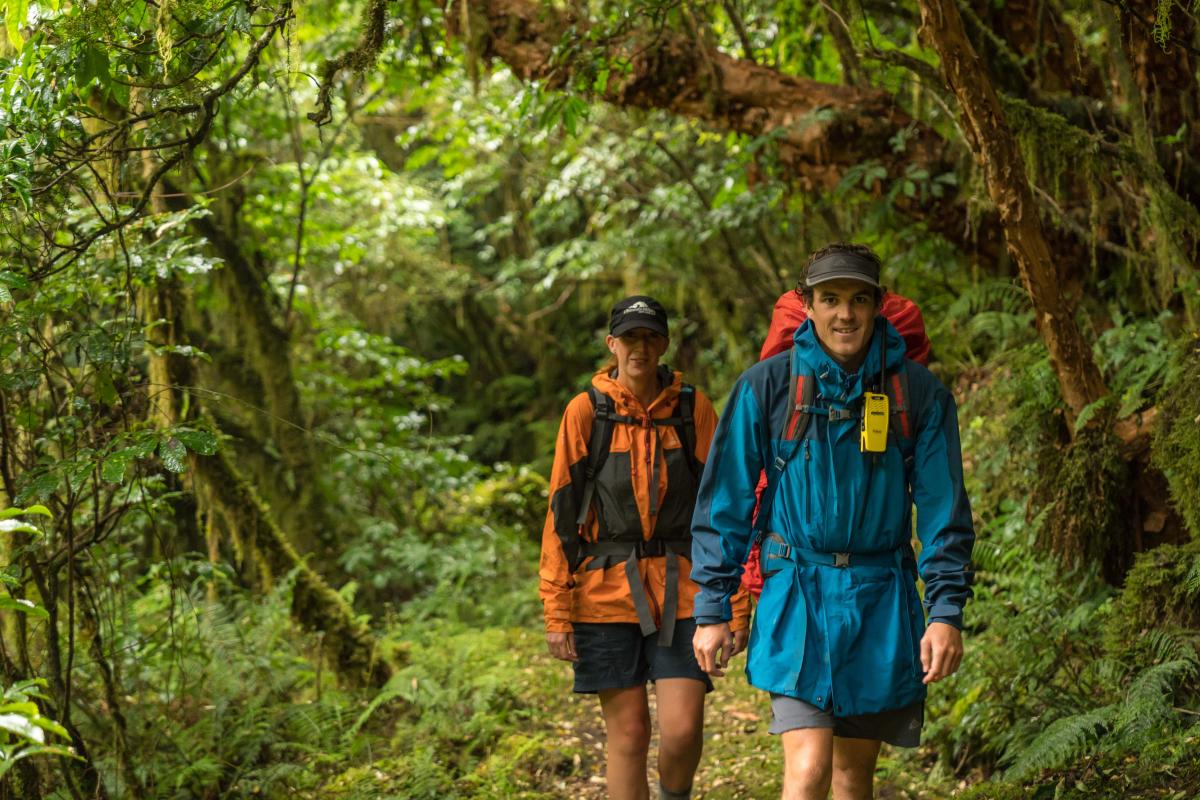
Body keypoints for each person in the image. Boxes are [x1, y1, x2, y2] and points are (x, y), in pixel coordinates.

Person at [690, 244, 975, 800]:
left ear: (878, 306)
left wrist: (946, 611)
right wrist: (712, 607)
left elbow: (944, 509)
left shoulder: (916, 393)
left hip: (881, 600)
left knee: (852, 775)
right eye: (831, 299)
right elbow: (723, 501)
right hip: (797, 594)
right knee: (809, 768)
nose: (845, 313)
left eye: (858, 299)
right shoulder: (767, 387)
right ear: (808, 303)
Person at [540, 295, 751, 800]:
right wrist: (556, 609)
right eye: (630, 337)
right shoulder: (586, 412)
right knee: (630, 734)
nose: (640, 347)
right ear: (612, 345)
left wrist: (736, 602)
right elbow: (561, 513)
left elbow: (726, 504)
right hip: (603, 592)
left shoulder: (691, 409)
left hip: (685, 588)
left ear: (663, 345)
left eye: (650, 337)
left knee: (682, 730)